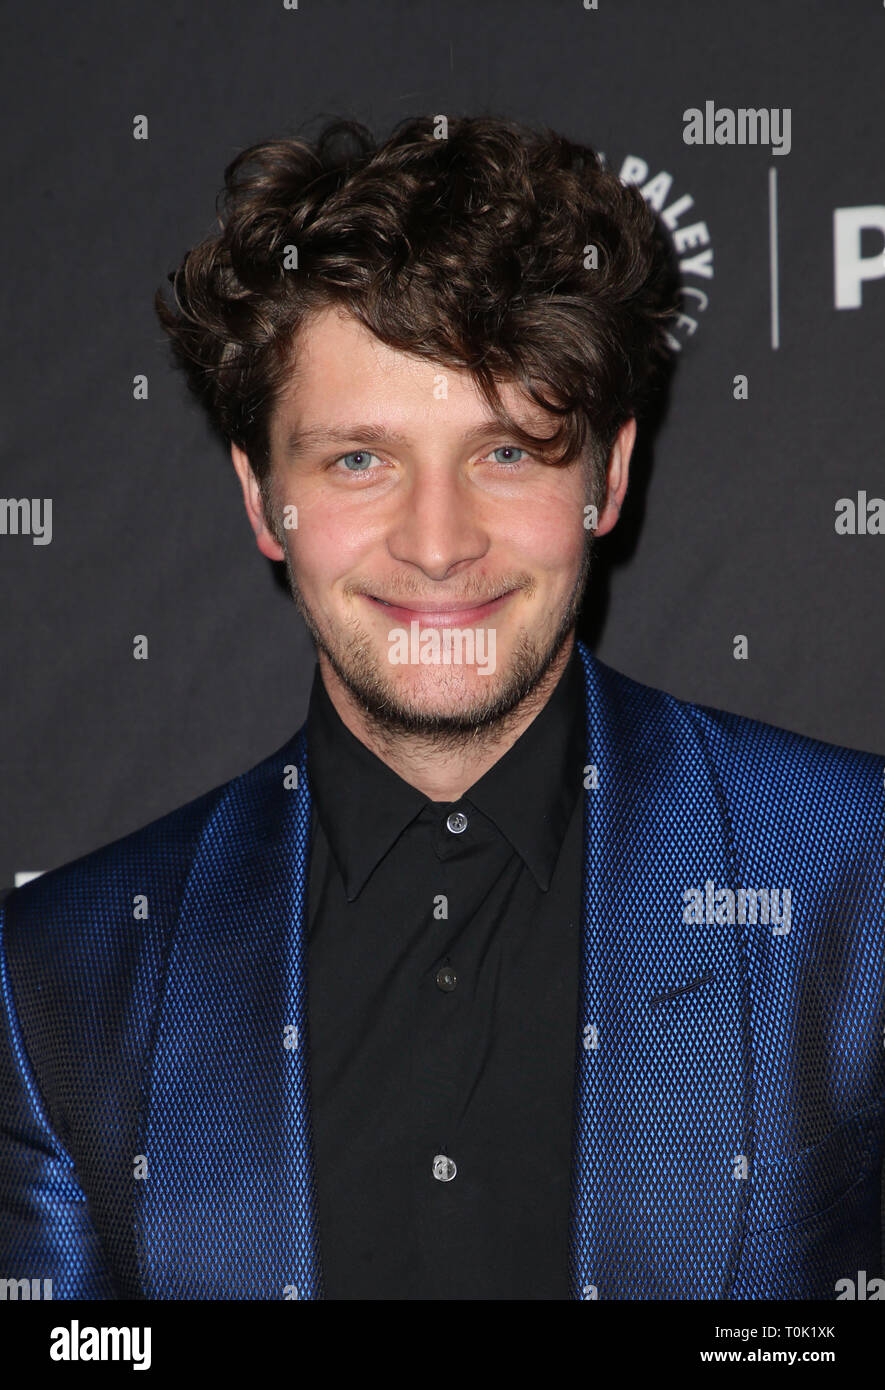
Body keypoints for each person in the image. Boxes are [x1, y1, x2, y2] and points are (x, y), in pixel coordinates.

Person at [1, 115, 882, 1301]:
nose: (438, 543)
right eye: (359, 460)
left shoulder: (857, 879)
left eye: (507, 453)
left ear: (607, 478)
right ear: (265, 501)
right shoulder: (59, 972)